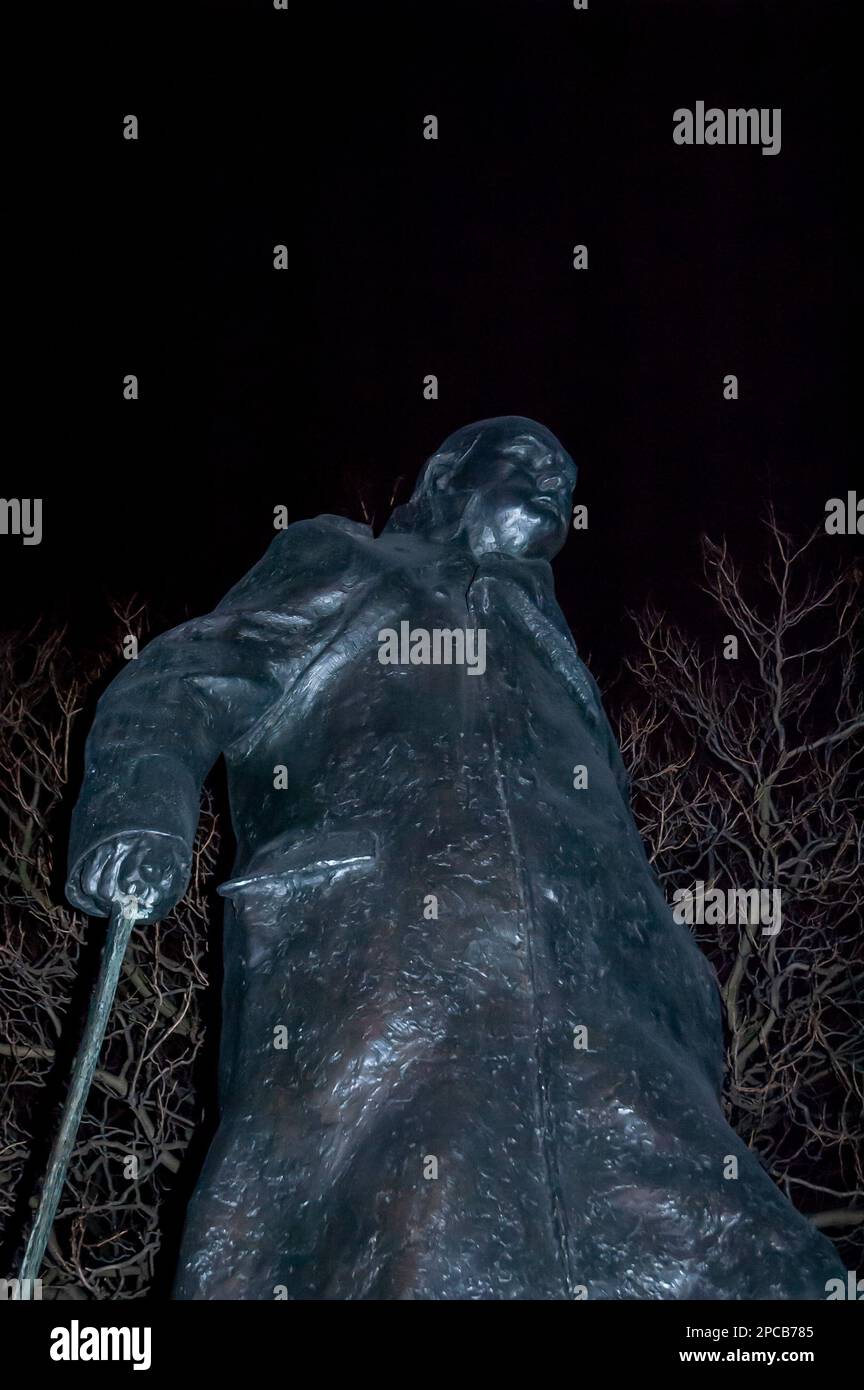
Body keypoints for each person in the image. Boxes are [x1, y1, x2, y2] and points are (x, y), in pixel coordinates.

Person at [67, 416, 844, 1299]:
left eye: (569, 474)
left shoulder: (555, 656)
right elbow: (186, 676)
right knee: (417, 1240)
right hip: (395, 975)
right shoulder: (349, 560)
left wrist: (676, 976)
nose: (557, 482)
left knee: (755, 1269)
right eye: (529, 461)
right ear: (447, 479)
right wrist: (141, 813)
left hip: (610, 1016)